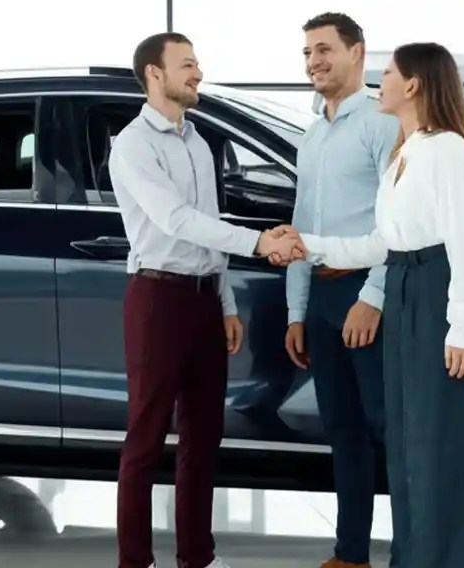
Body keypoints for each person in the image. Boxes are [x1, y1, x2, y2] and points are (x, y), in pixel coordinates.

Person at [272, 42, 464, 568]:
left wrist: (462, 325)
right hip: (405, 287)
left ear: (414, 84)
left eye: (389, 74)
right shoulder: (409, 150)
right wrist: (312, 245)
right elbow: (384, 242)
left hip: (441, 299)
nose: (381, 83)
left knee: (447, 450)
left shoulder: (448, 151)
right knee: (409, 444)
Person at [108, 31, 304, 568]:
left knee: (203, 437)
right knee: (145, 439)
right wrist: (261, 242)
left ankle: (197, 555)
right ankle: (135, 561)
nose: (198, 72)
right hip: (157, 299)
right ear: (155, 74)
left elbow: (209, 227)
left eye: (197, 63)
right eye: (187, 64)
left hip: (200, 302)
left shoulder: (196, 141)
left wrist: (224, 302)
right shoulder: (132, 145)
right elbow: (175, 221)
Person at [285, 13, 401, 568]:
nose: (314, 62)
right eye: (308, 52)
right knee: (343, 431)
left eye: (325, 49)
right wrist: (296, 310)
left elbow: (398, 221)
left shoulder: (382, 124)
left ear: (358, 52)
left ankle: (414, 551)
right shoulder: (312, 137)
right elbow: (301, 223)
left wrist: (372, 296)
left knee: (390, 428)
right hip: (324, 297)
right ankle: (350, 555)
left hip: (365, 294)